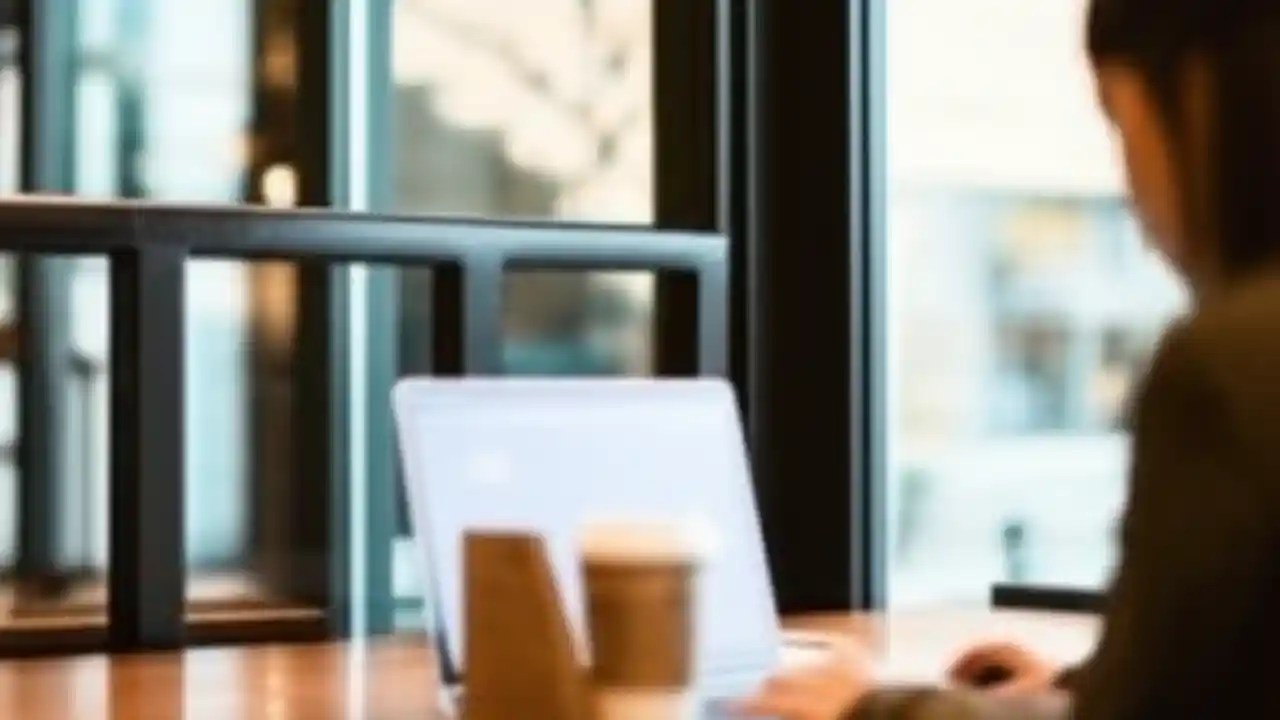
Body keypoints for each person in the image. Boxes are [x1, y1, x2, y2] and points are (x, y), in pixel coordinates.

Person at [737, 0, 1280, 717]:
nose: (1135, 199)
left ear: (1199, 98)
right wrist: (1083, 687)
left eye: (1122, 127)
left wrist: (866, 710)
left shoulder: (1230, 366)